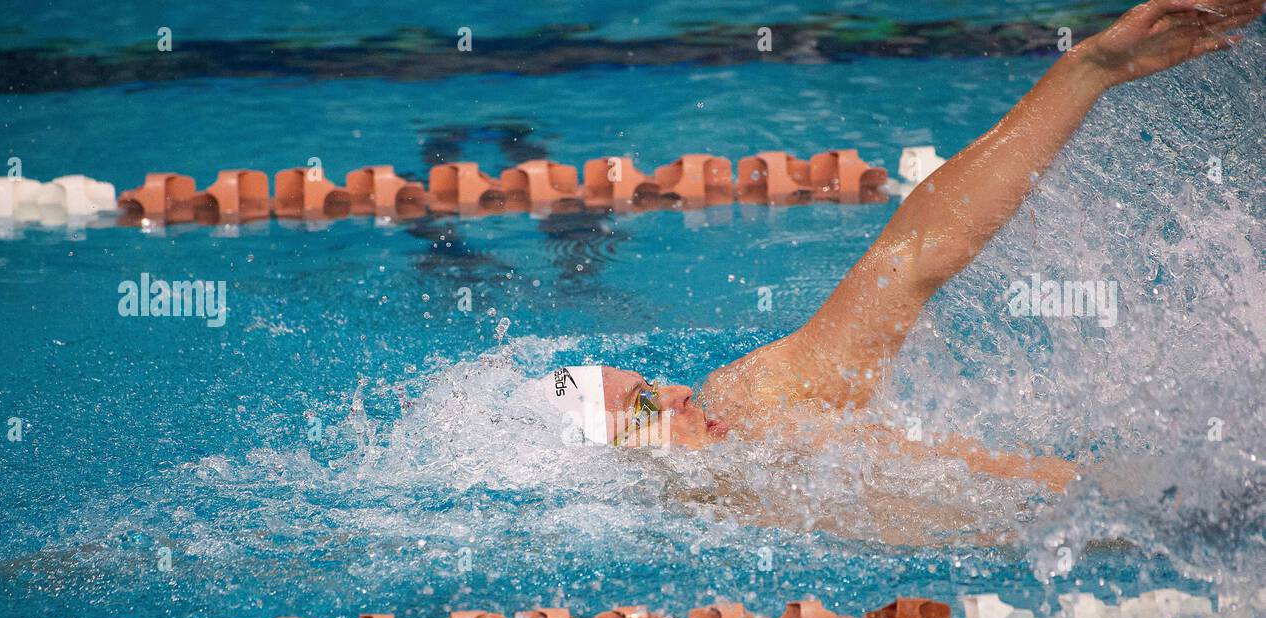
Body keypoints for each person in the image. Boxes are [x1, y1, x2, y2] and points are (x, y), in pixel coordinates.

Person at [539, 0, 1261, 496]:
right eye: (644, 407)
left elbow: (914, 254)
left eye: (651, 384)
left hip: (1159, 505)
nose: (678, 391)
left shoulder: (759, 405)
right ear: (608, 468)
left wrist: (1090, 70)